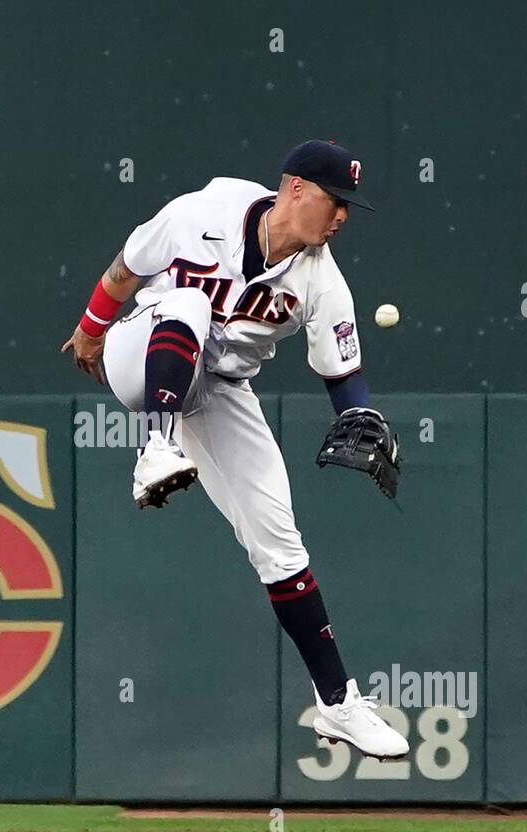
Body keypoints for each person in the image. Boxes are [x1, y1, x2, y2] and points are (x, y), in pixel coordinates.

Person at [60, 140, 408, 758]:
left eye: (349, 207)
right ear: (295, 189)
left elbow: (342, 377)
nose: (342, 217)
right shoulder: (205, 212)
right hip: (142, 351)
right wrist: (90, 332)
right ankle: (156, 449)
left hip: (217, 391)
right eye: (335, 201)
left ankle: (337, 704)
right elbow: (127, 267)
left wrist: (360, 414)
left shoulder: (321, 281)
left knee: (279, 543)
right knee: (189, 303)